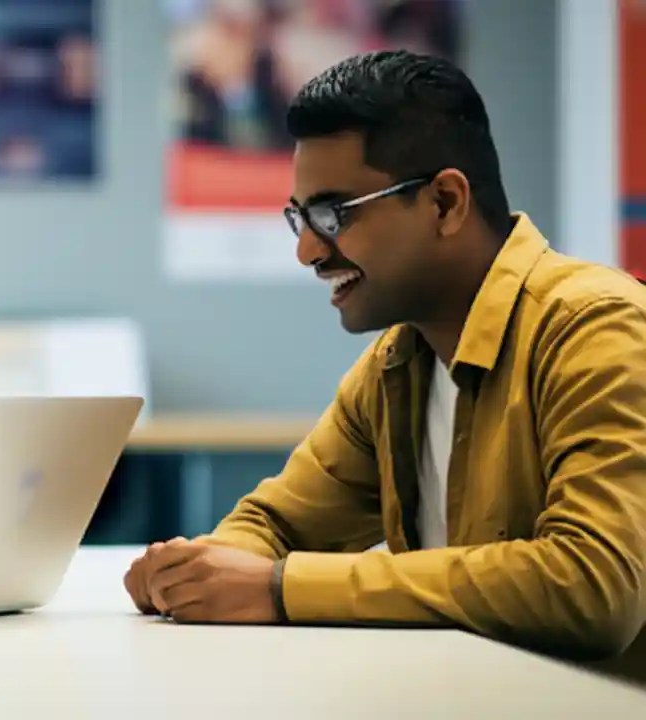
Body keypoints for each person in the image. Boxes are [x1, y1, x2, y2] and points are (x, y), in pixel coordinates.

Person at [125, 50, 646, 673]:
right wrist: (196, 574)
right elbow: (274, 524)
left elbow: (593, 585)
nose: (309, 251)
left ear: (446, 203)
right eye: (300, 216)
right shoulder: (398, 363)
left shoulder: (597, 327)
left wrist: (277, 588)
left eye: (333, 214)